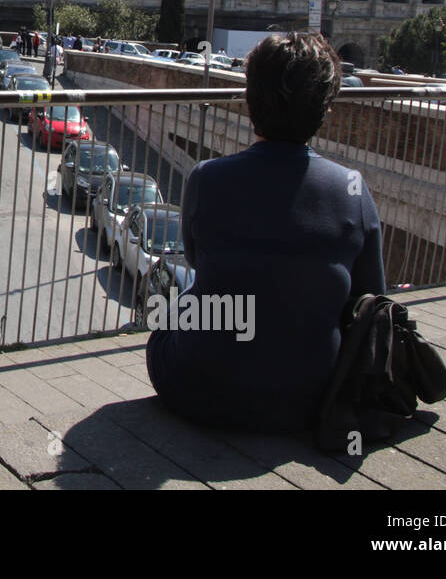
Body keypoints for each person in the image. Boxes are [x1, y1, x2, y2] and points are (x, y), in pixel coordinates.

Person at [145, 32, 386, 433]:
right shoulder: (353, 190)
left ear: (250, 102)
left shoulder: (208, 179)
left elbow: (196, 258)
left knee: (185, 297)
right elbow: (369, 301)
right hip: (311, 397)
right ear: (324, 110)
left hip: (197, 387)